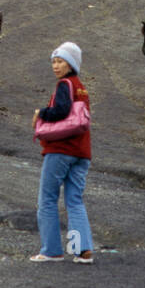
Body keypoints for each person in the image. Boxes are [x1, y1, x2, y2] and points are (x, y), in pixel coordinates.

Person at [31, 43, 93, 264]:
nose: (55, 66)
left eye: (60, 61)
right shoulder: (81, 87)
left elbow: (61, 111)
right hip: (82, 151)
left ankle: (51, 250)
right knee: (74, 199)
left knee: (47, 199)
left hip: (60, 150)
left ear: (71, 64)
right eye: (54, 62)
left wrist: (41, 113)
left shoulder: (64, 84)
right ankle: (82, 249)